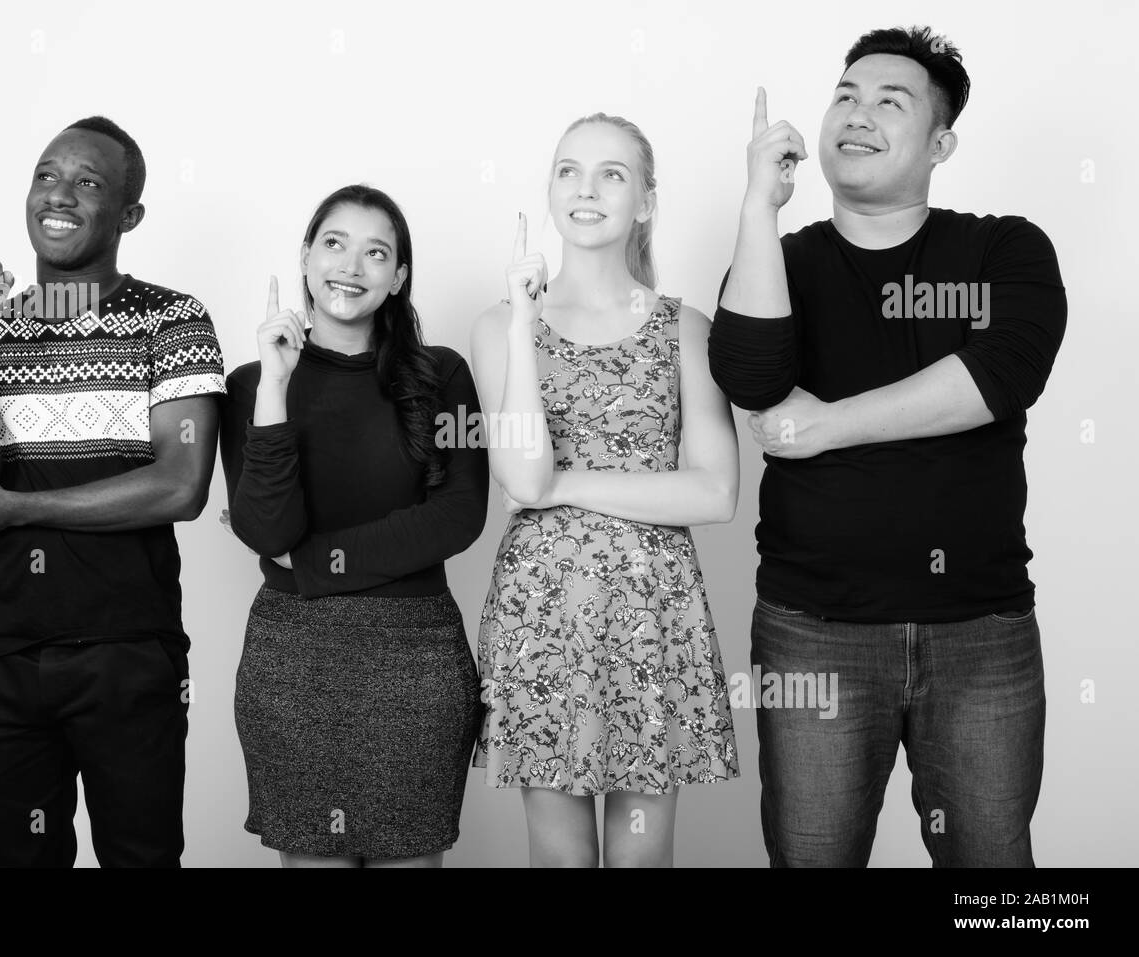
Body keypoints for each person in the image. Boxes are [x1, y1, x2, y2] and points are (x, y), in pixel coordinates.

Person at [709, 26, 1068, 867]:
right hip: (814, 634)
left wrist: (830, 422)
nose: (858, 114)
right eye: (846, 95)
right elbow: (752, 378)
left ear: (942, 142)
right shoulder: (780, 259)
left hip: (982, 630)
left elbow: (1000, 374)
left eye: (890, 101)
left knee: (996, 885)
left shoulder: (1003, 247)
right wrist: (757, 209)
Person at [0, 116, 227, 866]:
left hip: (129, 656)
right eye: (46, 174)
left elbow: (181, 485)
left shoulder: (173, 320)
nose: (59, 194)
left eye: (89, 182)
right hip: (5, 657)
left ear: (129, 215)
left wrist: (23, 507)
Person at [472, 114, 741, 867]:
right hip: (543, 612)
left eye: (611, 174)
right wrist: (527, 318)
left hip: (655, 608)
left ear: (646, 201)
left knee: (641, 861)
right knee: (561, 860)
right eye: (568, 170)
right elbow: (520, 475)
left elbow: (716, 492)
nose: (585, 189)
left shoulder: (686, 328)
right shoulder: (500, 326)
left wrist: (560, 486)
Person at [220, 184, 489, 868]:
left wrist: (311, 566)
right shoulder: (250, 384)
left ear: (398, 277)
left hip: (418, 658)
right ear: (307, 257)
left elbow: (460, 515)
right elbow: (267, 530)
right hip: (293, 662)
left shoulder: (445, 374)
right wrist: (278, 386)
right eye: (335, 244)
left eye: (377, 253)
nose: (351, 265)